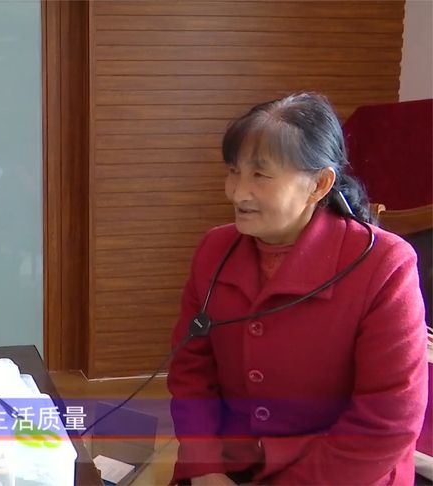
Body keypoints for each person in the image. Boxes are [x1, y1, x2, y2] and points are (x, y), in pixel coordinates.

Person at [167, 93, 428, 485]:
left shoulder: (385, 264)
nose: (237, 192)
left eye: (260, 175)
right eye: (234, 171)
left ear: (319, 184)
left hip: (341, 473)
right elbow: (191, 375)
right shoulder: (214, 249)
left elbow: (387, 422)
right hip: (230, 465)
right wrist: (205, 468)